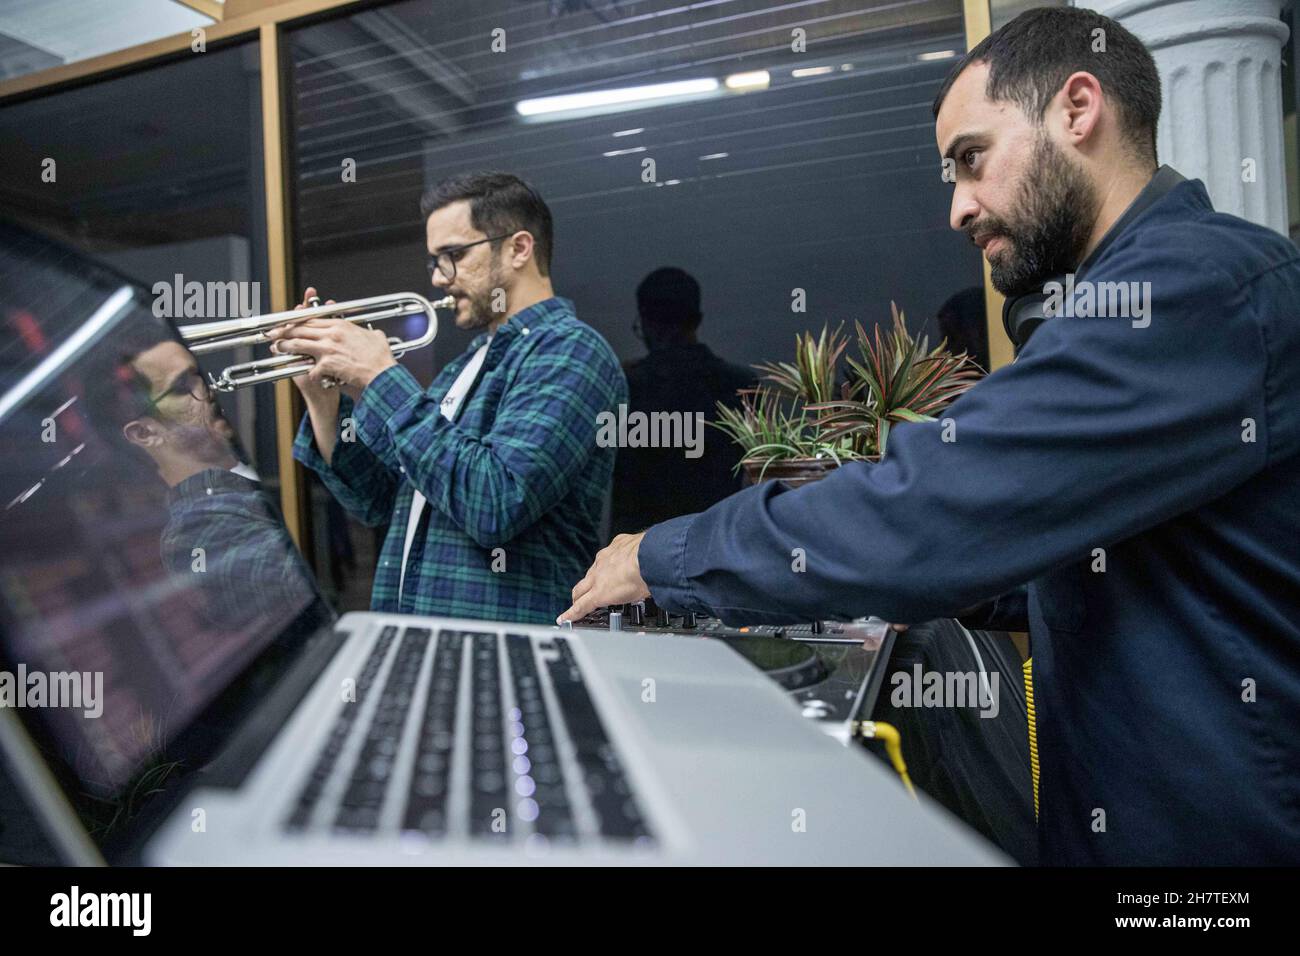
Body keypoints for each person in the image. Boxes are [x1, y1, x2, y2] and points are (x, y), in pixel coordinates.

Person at [559, 7, 1300, 865]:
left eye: (971, 160)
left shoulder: (1191, 289)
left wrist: (661, 556)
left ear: (1078, 108)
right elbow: (1126, 563)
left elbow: (928, 510)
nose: (958, 208)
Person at [268, 171, 626, 625]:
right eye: (435, 261)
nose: (439, 278)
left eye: (454, 256)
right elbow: (377, 501)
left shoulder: (571, 350)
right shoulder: (462, 369)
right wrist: (324, 399)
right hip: (414, 638)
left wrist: (381, 376)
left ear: (519, 248)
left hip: (503, 651)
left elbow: (496, 502)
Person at [84, 321, 318, 632]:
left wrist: (321, 402)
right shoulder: (196, 532)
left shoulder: (243, 481)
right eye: (183, 387)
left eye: (200, 374)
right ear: (145, 433)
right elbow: (310, 576)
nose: (211, 389)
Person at [611, 267, 757, 535]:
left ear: (645, 322)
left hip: (635, 554)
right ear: (697, 320)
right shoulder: (742, 386)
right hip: (715, 545)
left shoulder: (623, 386)